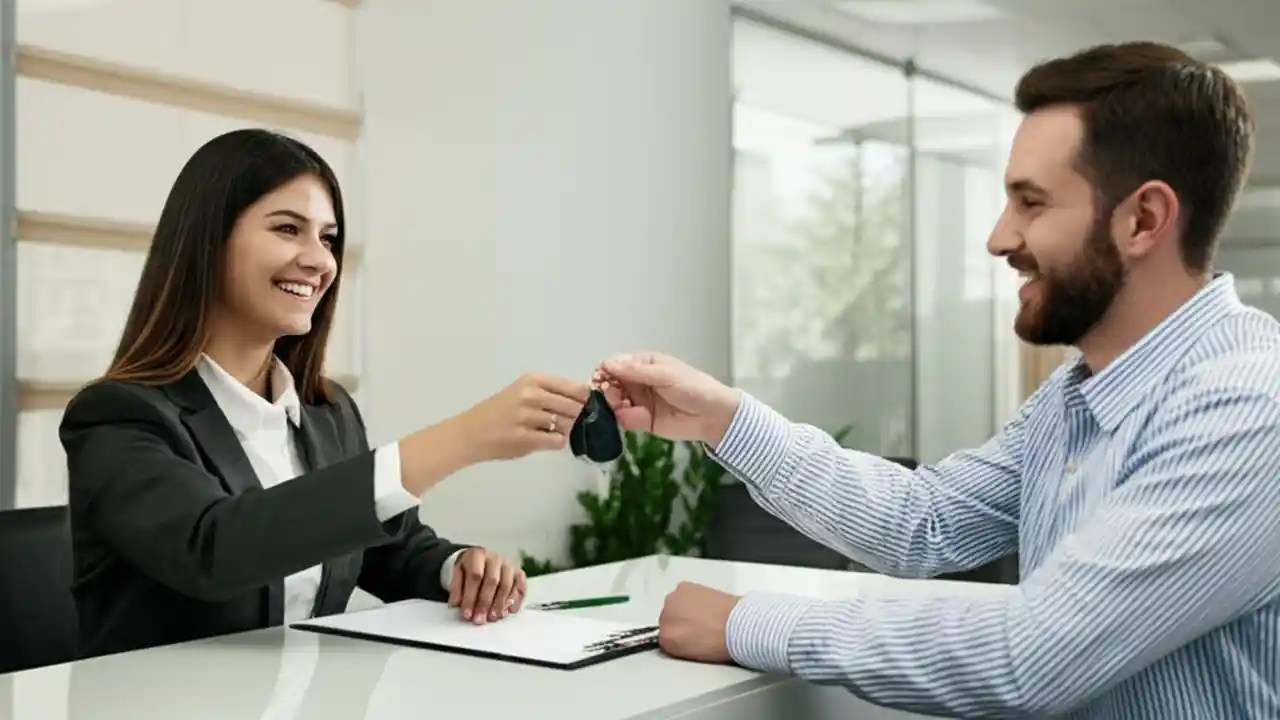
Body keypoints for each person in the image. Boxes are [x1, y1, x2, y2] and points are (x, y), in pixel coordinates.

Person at [593, 42, 1279, 718]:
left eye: (1031, 204)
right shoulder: (1077, 396)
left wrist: (748, 624)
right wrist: (724, 418)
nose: (998, 238)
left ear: (1144, 220)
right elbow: (923, 522)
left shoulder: (1248, 406)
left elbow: (1031, 658)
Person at [59, 129, 590, 659]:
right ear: (209, 240)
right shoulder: (118, 417)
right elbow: (214, 550)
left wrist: (459, 568)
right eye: (289, 229)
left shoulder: (324, 411)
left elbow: (387, 548)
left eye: (328, 238)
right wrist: (463, 438)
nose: (320, 261)